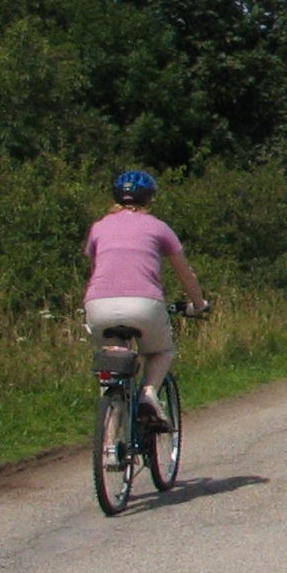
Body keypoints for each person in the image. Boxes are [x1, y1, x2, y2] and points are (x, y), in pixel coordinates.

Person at [83, 170, 208, 432]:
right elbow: (186, 275)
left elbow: (97, 267)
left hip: (98, 305)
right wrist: (199, 305)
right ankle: (149, 394)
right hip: (144, 305)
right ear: (150, 198)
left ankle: (108, 439)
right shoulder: (158, 227)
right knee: (161, 351)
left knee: (112, 367)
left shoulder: (99, 227)